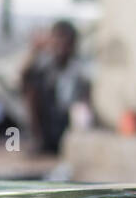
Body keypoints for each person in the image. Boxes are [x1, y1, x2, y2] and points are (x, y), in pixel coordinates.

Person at [20, 19, 90, 155]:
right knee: (32, 89)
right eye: (58, 40)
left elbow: (82, 104)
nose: (62, 45)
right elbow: (23, 78)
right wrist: (34, 50)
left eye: (66, 41)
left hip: (68, 127)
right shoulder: (44, 65)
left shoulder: (79, 69)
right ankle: (39, 141)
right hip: (46, 126)